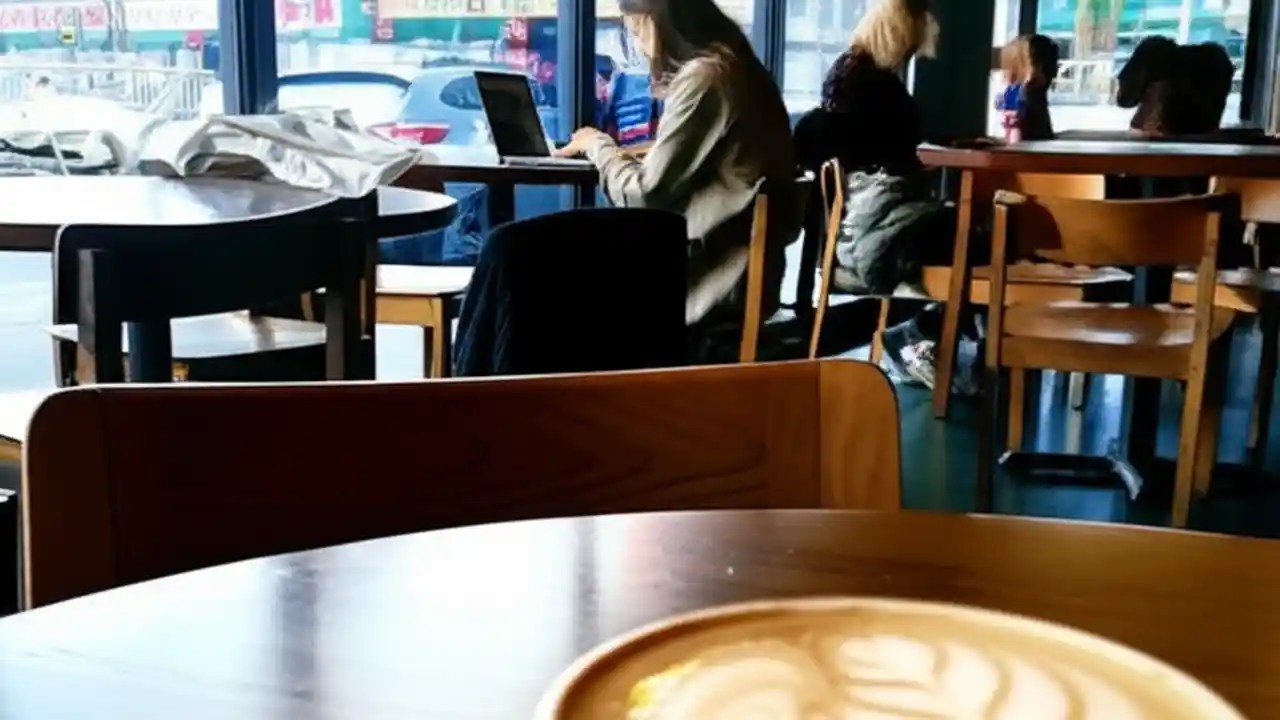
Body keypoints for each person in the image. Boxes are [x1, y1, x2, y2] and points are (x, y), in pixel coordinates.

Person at [554, 0, 797, 343]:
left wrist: (598, 145)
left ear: (654, 24)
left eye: (635, 31)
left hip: (704, 288)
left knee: (527, 265)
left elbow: (645, 193)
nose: (639, 46)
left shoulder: (707, 78)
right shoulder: (741, 71)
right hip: (733, 277)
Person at [792, 0, 959, 390]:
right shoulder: (880, 90)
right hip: (876, 224)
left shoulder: (845, 76)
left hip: (846, 224)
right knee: (973, 239)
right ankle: (920, 333)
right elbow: (897, 155)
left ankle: (919, 333)